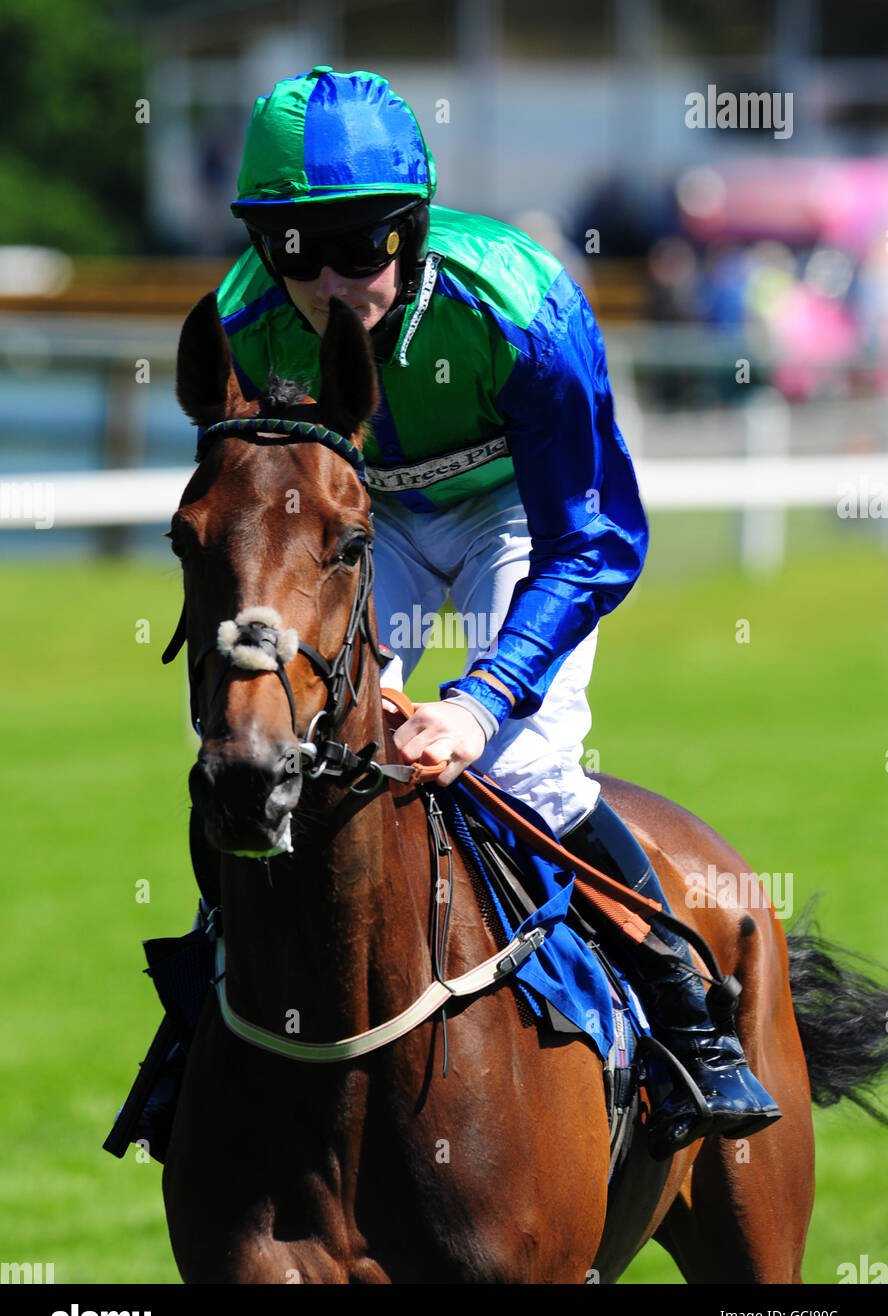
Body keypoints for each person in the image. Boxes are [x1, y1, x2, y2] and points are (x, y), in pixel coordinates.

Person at [131, 66, 779, 1163]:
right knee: (272, 744)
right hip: (361, 523)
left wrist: (481, 700)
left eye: (367, 243)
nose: (337, 281)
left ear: (416, 226)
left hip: (510, 520)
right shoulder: (241, 324)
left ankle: (681, 1003)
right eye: (300, 251)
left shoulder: (520, 307)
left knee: (517, 765)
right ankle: (203, 1011)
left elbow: (597, 538)